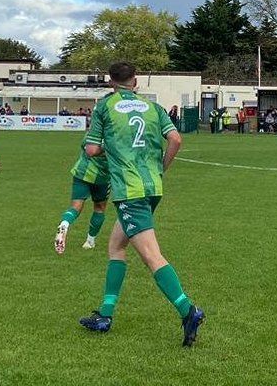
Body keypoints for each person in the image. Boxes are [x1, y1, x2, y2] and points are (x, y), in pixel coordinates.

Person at [78, 62, 205, 347]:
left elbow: (91, 148)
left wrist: (107, 147)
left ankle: (188, 310)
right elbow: (175, 139)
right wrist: (162, 167)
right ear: (135, 81)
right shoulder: (153, 108)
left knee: (151, 256)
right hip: (152, 186)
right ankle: (105, 315)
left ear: (111, 81)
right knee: (116, 246)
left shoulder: (105, 106)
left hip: (129, 191)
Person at [54, 124, 111, 254]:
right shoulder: (115, 136)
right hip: (102, 178)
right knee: (99, 208)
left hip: (82, 173)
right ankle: (90, 241)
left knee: (75, 206)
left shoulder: (93, 133)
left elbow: (84, 146)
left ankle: (65, 223)